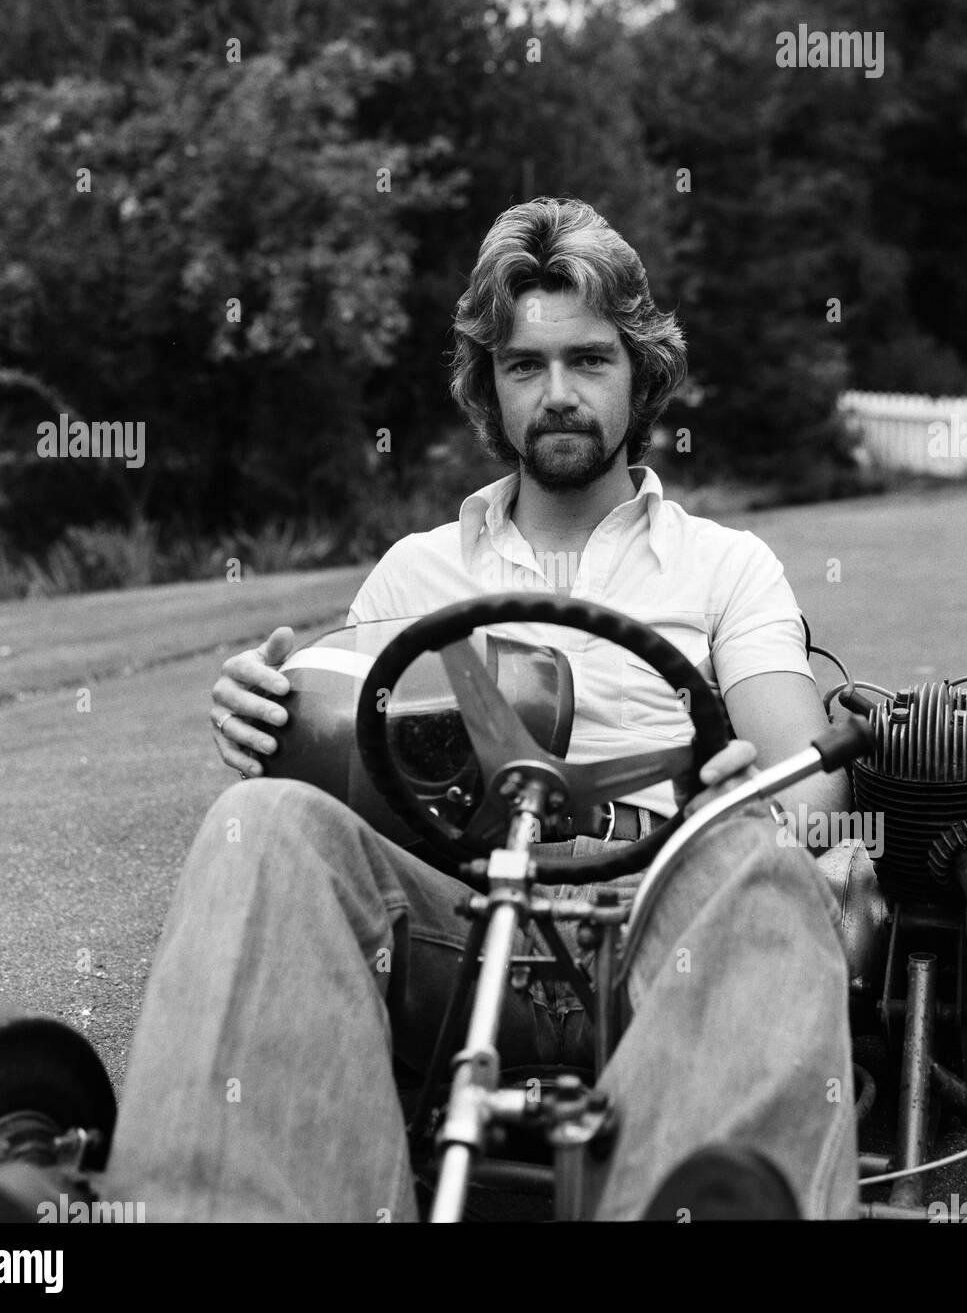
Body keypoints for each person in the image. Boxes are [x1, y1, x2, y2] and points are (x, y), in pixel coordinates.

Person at [103, 197, 859, 1221]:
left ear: (640, 374)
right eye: (522, 366)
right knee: (261, 825)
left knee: (761, 861)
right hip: (456, 922)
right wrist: (260, 706)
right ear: (487, 387)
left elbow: (805, 792)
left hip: (656, 918)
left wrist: (739, 794)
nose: (555, 393)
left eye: (587, 360)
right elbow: (338, 751)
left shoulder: (726, 566)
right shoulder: (418, 571)